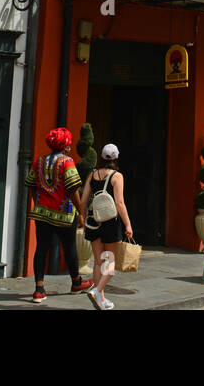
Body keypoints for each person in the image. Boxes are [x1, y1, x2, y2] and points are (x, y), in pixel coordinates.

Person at [25, 127, 93, 302]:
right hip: (64, 213)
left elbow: (31, 184)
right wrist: (80, 212)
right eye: (69, 144)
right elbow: (73, 189)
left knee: (41, 248)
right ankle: (76, 282)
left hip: (42, 213)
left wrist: (38, 200)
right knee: (70, 247)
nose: (70, 148)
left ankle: (39, 288)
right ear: (65, 146)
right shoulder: (67, 162)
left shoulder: (39, 161)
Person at [81, 144, 133, 310]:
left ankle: (100, 300)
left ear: (102, 157)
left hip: (93, 221)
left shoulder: (92, 175)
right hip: (110, 223)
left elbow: (83, 202)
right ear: (116, 158)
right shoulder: (117, 176)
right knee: (110, 263)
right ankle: (97, 291)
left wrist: (82, 219)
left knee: (98, 261)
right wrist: (128, 224)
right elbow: (119, 203)